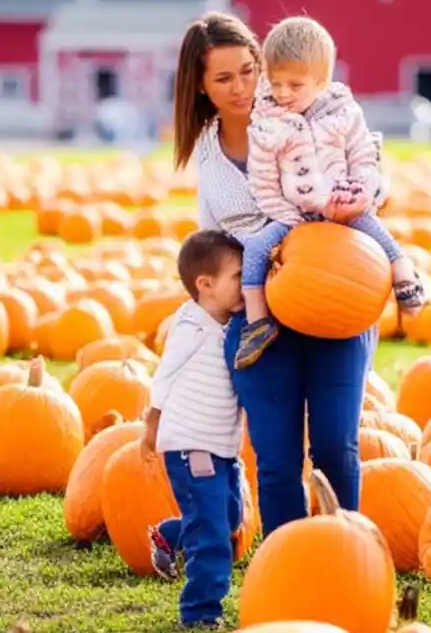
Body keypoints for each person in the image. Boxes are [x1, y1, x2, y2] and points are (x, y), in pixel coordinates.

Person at [172, 12, 375, 538]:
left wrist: (364, 202)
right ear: (200, 87)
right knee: (276, 456)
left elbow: (369, 168)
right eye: (223, 78)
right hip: (259, 317)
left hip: (334, 299)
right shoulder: (208, 154)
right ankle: (286, 556)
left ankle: (342, 551)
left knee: (335, 443)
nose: (241, 87)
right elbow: (211, 241)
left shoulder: (313, 110)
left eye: (247, 70)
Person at [234, 15, 424, 369]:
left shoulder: (345, 115)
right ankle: (258, 323)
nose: (283, 93)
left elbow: (365, 158)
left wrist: (359, 196)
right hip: (295, 217)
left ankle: (404, 279)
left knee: (378, 237)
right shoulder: (265, 126)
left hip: (344, 206)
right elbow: (262, 183)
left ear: (321, 82)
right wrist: (293, 223)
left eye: (295, 84)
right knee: (257, 247)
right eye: (275, 83)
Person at [142, 229, 246, 631]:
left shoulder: (227, 322)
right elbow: (163, 377)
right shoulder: (191, 327)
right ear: (205, 285)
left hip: (221, 445)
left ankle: (170, 535)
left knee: (229, 515)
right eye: (237, 276)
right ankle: (200, 613)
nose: (245, 283)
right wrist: (151, 426)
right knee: (214, 534)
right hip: (190, 445)